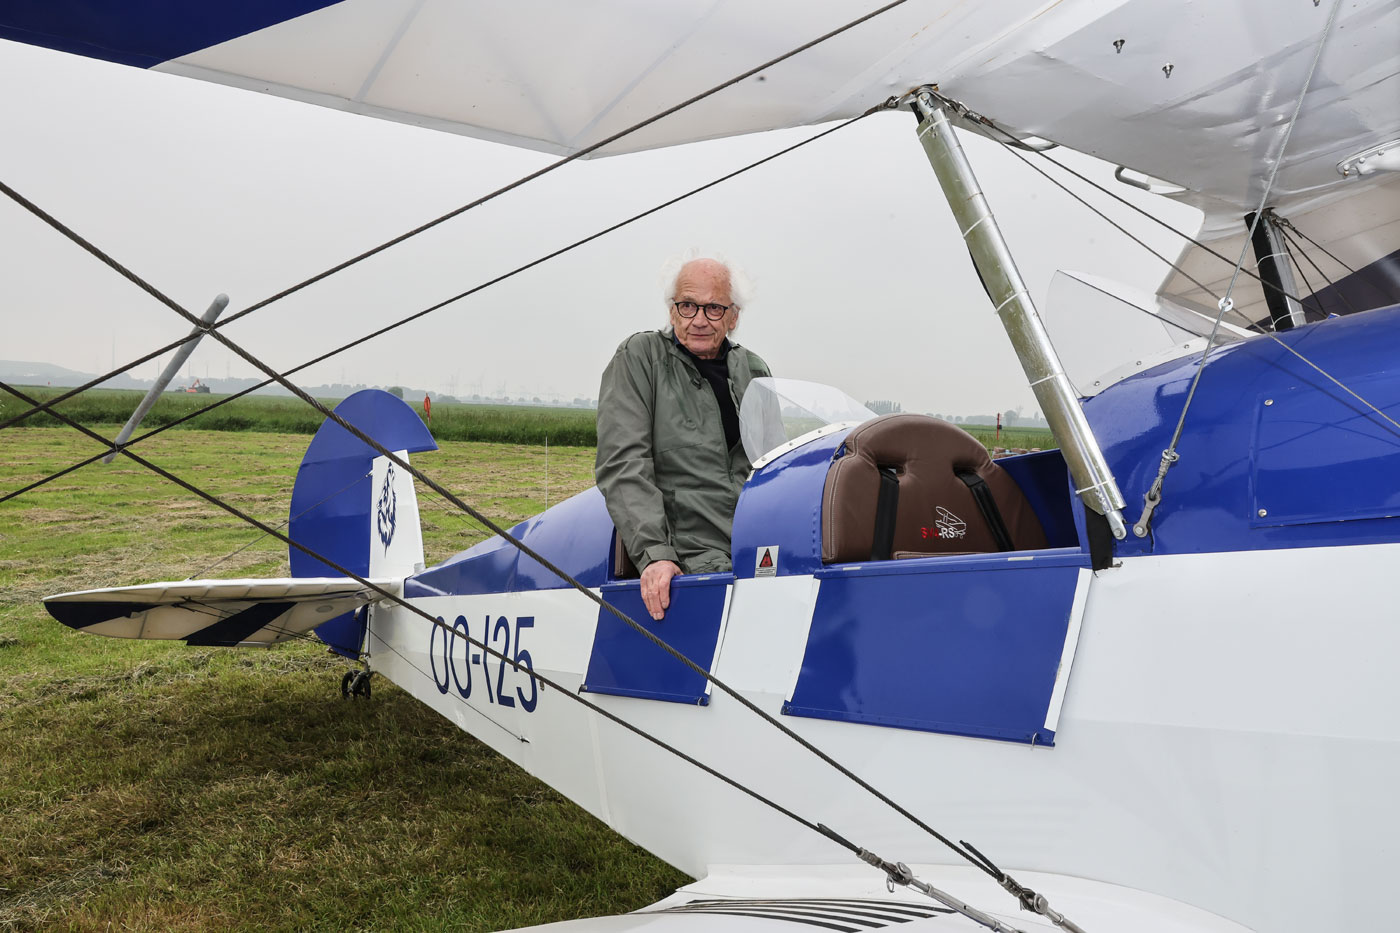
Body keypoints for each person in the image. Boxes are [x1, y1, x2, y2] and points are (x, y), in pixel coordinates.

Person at [596, 255, 772, 620]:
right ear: (672, 310)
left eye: (713, 308)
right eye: (688, 306)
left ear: (733, 316)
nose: (699, 320)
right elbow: (624, 464)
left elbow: (774, 468)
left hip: (753, 545)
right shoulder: (639, 357)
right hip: (690, 551)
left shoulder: (755, 369)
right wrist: (655, 555)